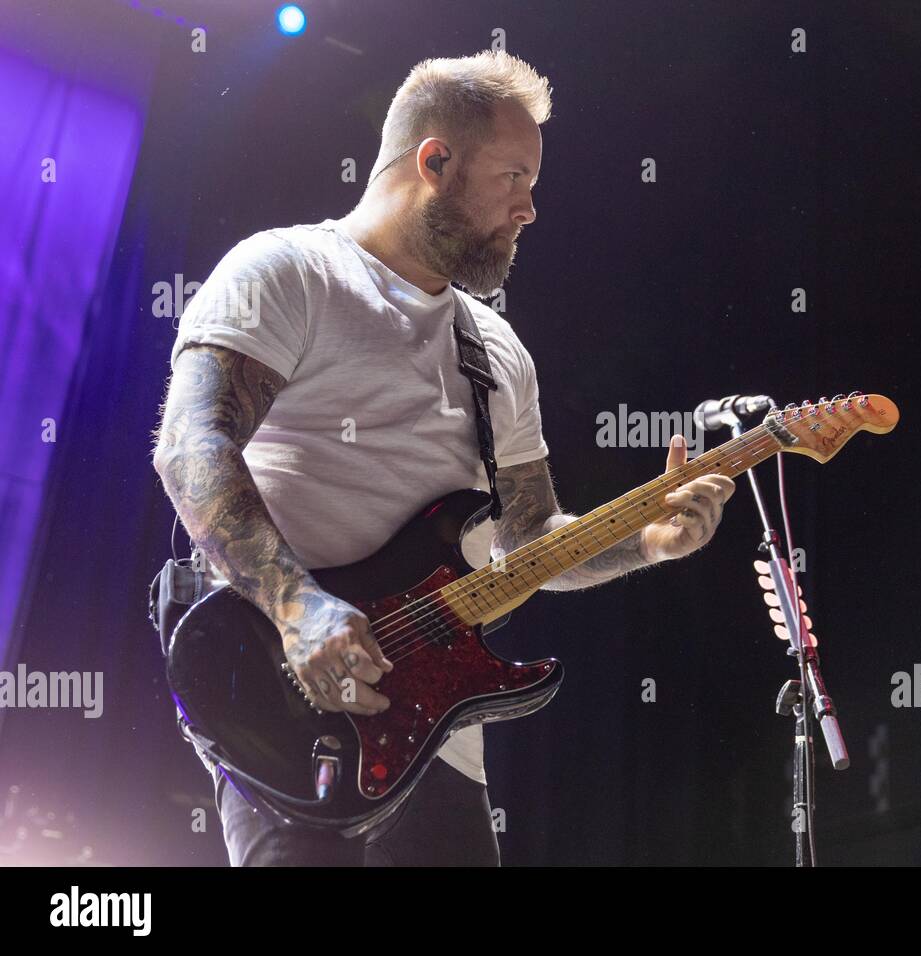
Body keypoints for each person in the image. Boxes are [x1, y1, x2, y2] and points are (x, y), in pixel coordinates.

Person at [151, 49, 736, 866]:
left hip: (440, 747)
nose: (529, 209)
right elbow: (193, 446)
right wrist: (298, 608)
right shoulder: (287, 272)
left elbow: (528, 546)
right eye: (513, 179)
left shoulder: (496, 351)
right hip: (295, 717)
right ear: (435, 162)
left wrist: (647, 539)